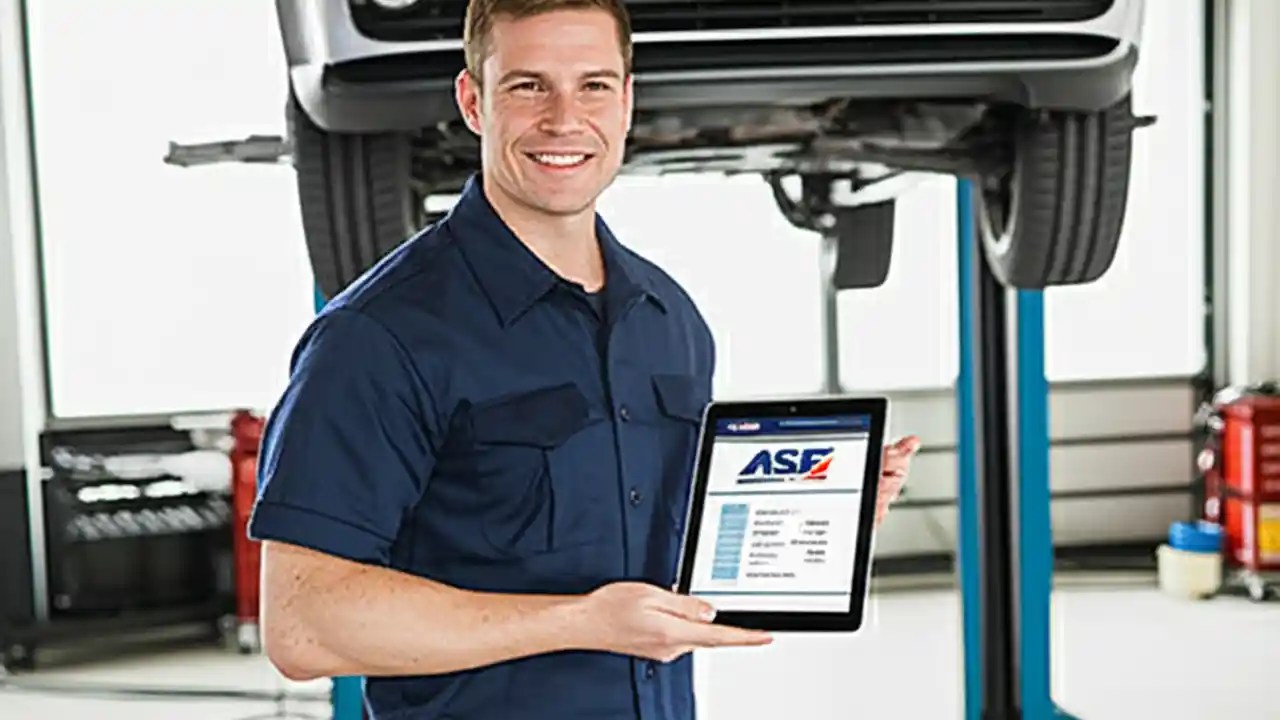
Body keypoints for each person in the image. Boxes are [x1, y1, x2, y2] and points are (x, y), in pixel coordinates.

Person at [249, 0, 921, 717]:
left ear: (627, 100)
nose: (565, 119)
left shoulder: (667, 318)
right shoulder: (378, 336)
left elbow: (654, 560)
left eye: (594, 85)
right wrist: (580, 622)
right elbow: (304, 625)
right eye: (529, 85)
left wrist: (813, 520)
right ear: (474, 100)